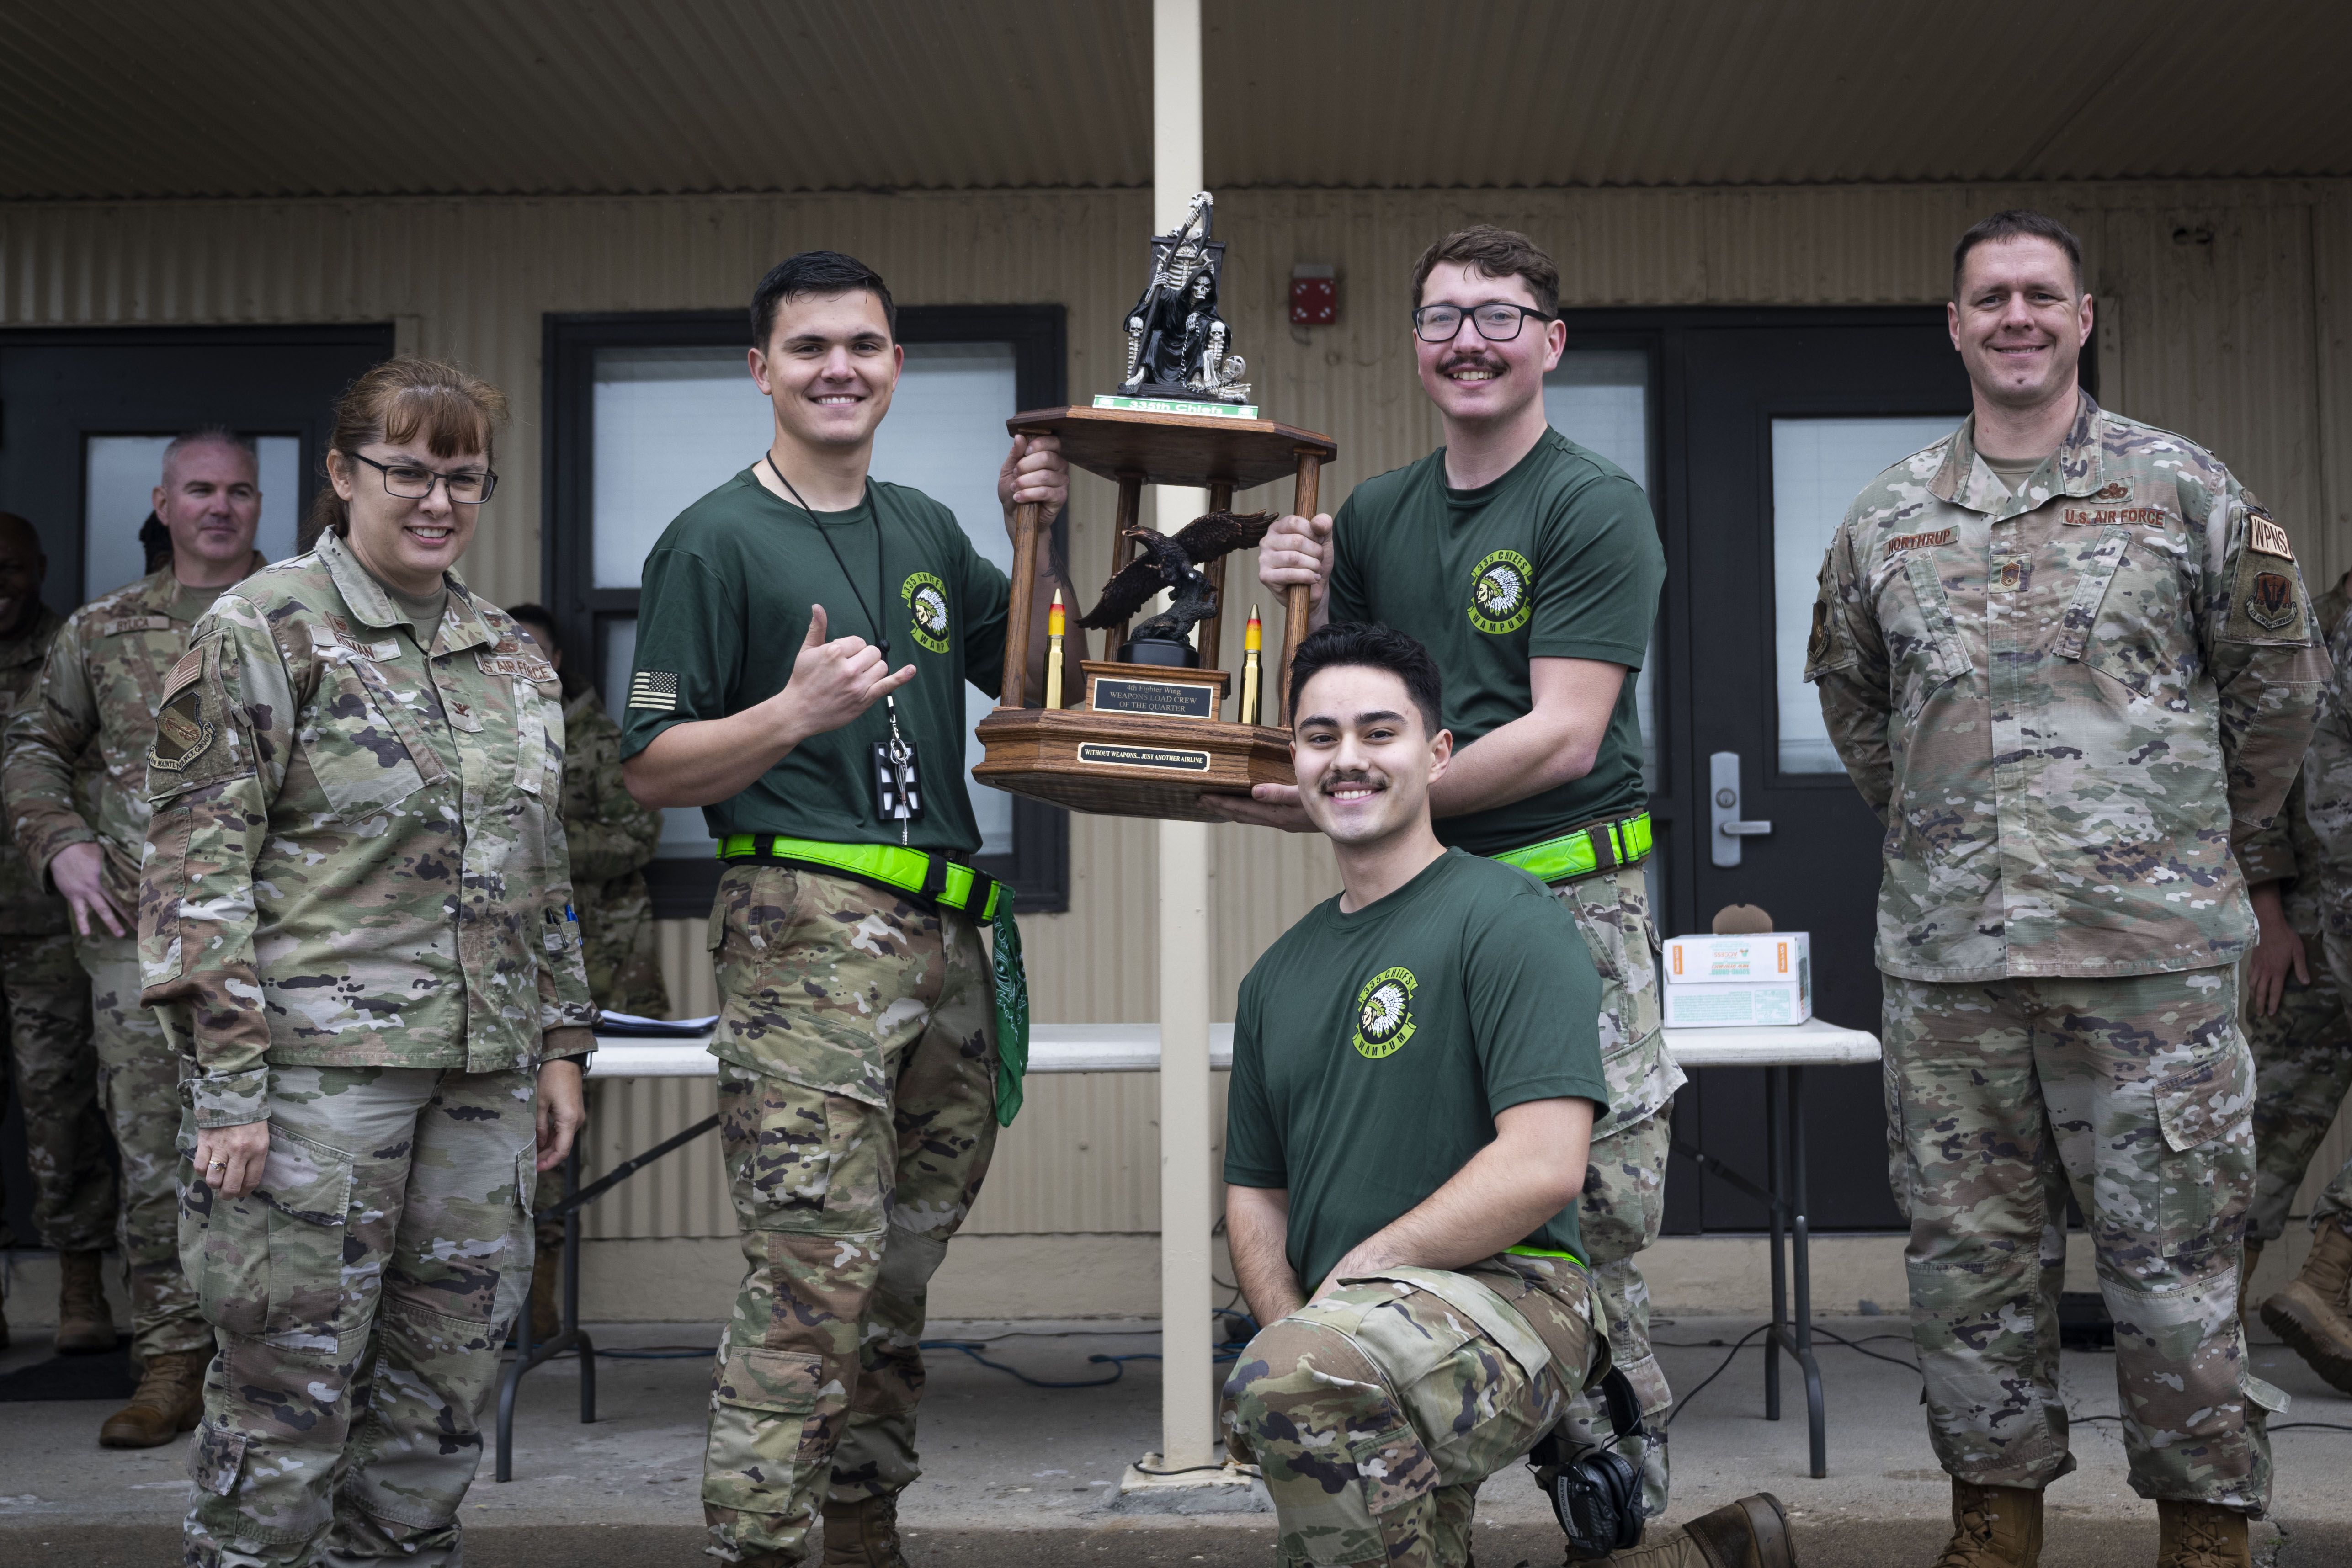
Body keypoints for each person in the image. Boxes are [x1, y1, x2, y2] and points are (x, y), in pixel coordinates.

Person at [1805, 211, 2326, 1568]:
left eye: (2042, 295)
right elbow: (1860, 712)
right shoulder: (1886, 521)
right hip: (1952, 970)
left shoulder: (2186, 493)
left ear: (2083, 317)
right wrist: (1957, 836)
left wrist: (2187, 844)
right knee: (1969, 1277)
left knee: (2176, 1275)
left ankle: (2206, 1538)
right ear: (1956, 326)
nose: (2018, 318)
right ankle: (1994, 1529)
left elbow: (2278, 698)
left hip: (2152, 967)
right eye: (1991, 298)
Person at [620, 249, 1071, 1568]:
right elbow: (649, 768)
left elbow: (1037, 677)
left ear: (893, 367)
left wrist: (1034, 528)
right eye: (809, 347)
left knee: (895, 1277)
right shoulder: (714, 539)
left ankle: (862, 1531)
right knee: (810, 1275)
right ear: (761, 369)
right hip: (808, 927)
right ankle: (759, 1547)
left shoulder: (927, 528)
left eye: (863, 347)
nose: (838, 369)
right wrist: (791, 713)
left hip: (949, 937)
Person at [1225, 225, 1678, 1512]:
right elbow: (1352, 707)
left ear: (1551, 340)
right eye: (1440, 317)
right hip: (1414, 905)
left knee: (1588, 1242)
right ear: (1414, 343)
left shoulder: (1587, 503)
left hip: (1566, 902)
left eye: (1497, 314)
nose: (1467, 340)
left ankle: (1628, 1518)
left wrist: (1354, 797)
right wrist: (1292, 600)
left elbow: (1563, 731)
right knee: (1425, 1222)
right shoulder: (1376, 508)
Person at [139, 357, 596, 1568]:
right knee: (285, 1408)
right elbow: (195, 875)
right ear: (344, 476)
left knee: (437, 1417)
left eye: (464, 477)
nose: (438, 500)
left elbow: (540, 871)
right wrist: (228, 1090)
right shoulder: (261, 629)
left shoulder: (509, 656)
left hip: (480, 1083)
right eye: (409, 471)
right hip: (313, 1093)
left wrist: (561, 1045)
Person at [1221, 622, 1794, 1568]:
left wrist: (1349, 1289)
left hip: (1515, 1295)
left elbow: (1540, 1166)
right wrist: (1294, 1322)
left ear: (1436, 753)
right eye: (1319, 738)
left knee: (1297, 1385)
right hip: (1346, 1329)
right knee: (1344, 1455)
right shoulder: (1274, 977)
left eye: (1378, 732)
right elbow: (1255, 1191)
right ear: (1294, 757)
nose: (1347, 760)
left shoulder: (1506, 919)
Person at [2, 431, 266, 1446]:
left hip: (279, 936)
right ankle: (169, 1362)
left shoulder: (300, 615)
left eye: (239, 491)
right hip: (139, 943)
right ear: (162, 501)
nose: (219, 507)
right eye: (200, 489)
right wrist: (60, 843)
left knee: (289, 1158)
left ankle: (275, 1364)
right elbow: (32, 746)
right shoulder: (105, 629)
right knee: (157, 1154)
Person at [506, 601, 668, 1339]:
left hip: (590, 970)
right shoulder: (478, 729)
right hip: (492, 975)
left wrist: (536, 853)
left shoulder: (599, 738)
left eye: (535, 652)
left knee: (558, 1137)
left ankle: (541, 1292)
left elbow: (636, 836)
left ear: (559, 661)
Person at [0, 511, 115, 1355]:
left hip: (46, 923)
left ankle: (80, 1281)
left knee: (59, 1104)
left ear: (38, 567)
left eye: (10, 566)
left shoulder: (74, 649)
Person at [2262, 579, 2352, 1394]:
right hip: (2313, 918)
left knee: (2268, 1117)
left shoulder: (2313, 617)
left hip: (2309, 914)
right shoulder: (2308, 618)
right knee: (2266, 1122)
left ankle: (2195, 1336)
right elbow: (2261, 762)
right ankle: (2323, 1281)